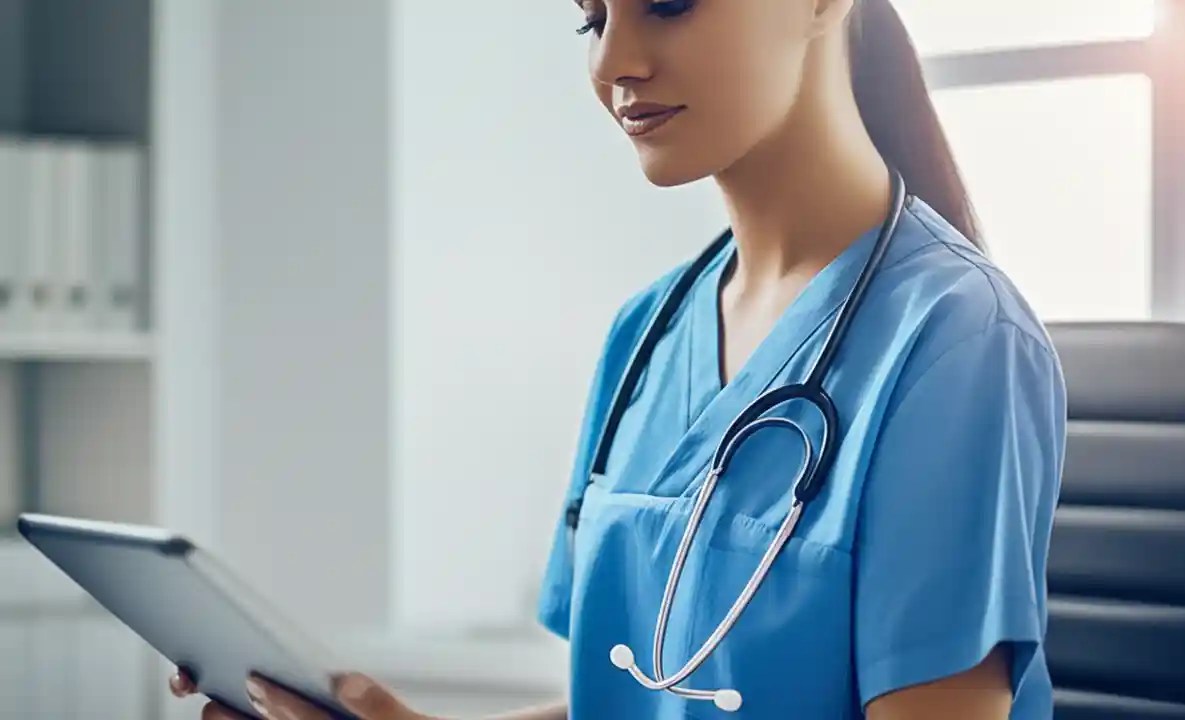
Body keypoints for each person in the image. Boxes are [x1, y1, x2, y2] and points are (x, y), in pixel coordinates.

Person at [172, 0, 1066, 717]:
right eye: (592, 19)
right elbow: (637, 696)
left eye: (669, 6)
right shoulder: (645, 335)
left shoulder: (956, 341)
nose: (613, 64)